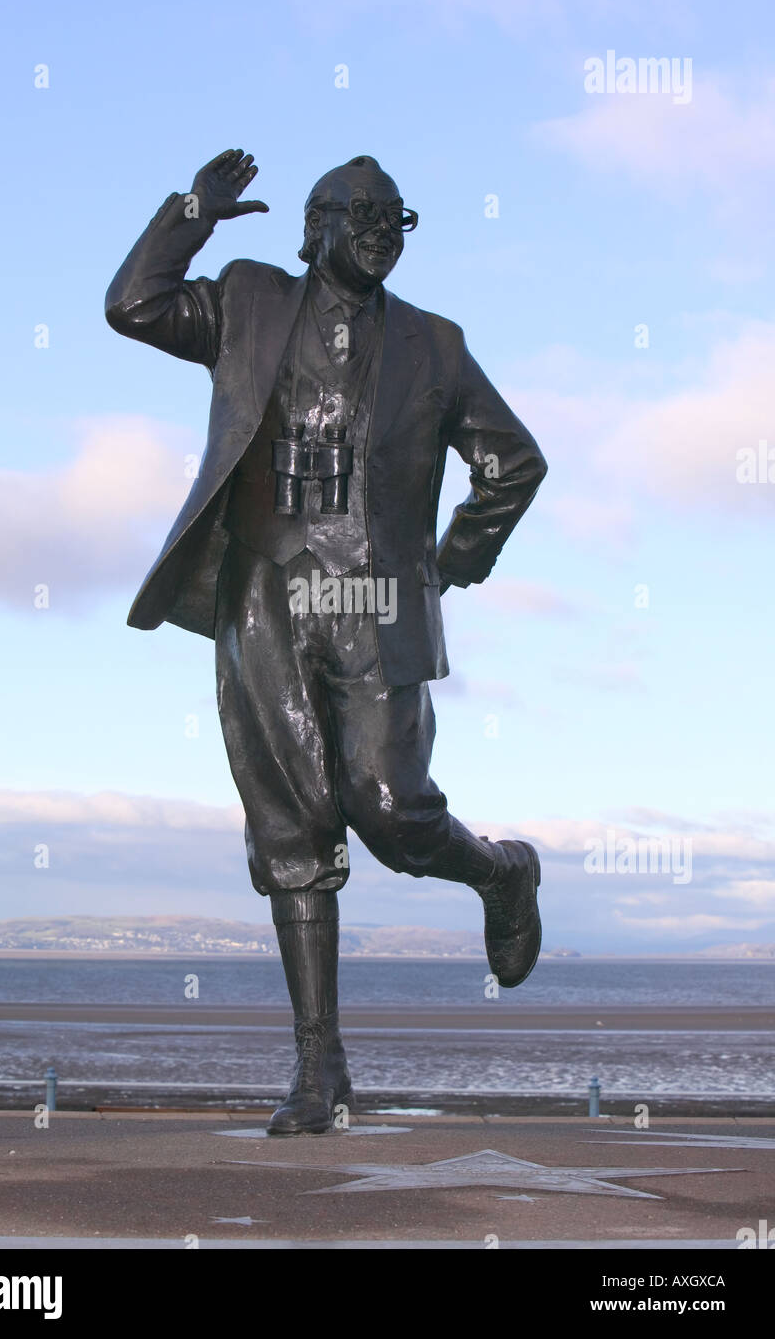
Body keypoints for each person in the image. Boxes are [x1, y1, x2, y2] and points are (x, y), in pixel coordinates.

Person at [106, 149, 548, 1134]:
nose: (380, 230)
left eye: (396, 217)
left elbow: (513, 462)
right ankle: (321, 1071)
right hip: (263, 596)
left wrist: (454, 559)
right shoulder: (248, 303)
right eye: (362, 214)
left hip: (377, 600)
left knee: (391, 808)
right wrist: (191, 212)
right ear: (314, 226)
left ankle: (500, 870)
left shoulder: (434, 347)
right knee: (292, 839)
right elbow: (133, 305)